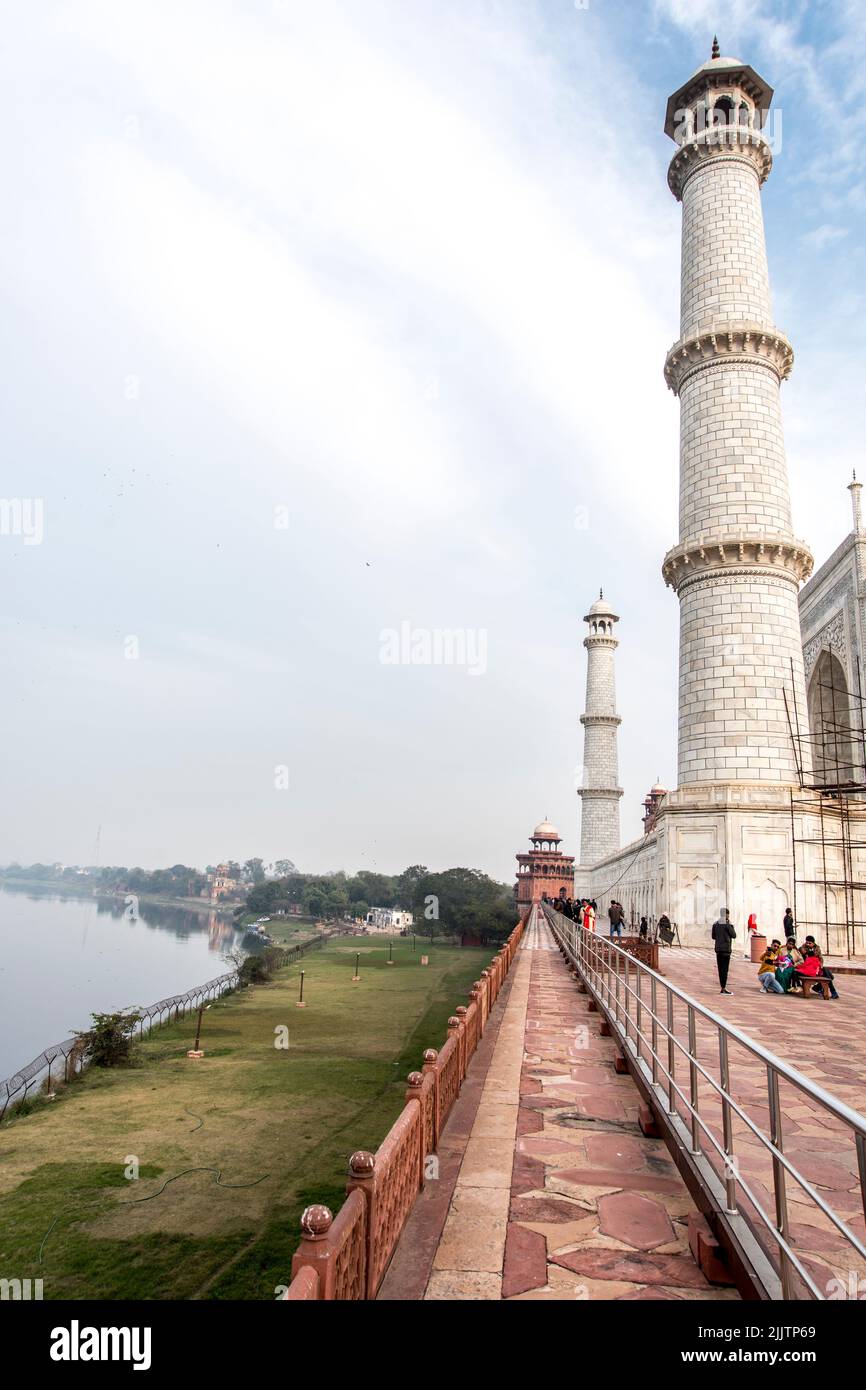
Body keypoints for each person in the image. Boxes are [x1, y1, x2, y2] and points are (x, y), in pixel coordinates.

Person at [711, 909, 736, 993]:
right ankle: (723, 988)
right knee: (725, 969)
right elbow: (734, 935)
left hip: (718, 949)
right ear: (726, 915)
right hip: (726, 950)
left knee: (720, 969)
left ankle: (722, 987)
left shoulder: (715, 924)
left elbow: (713, 936)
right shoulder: (727, 924)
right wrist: (730, 925)